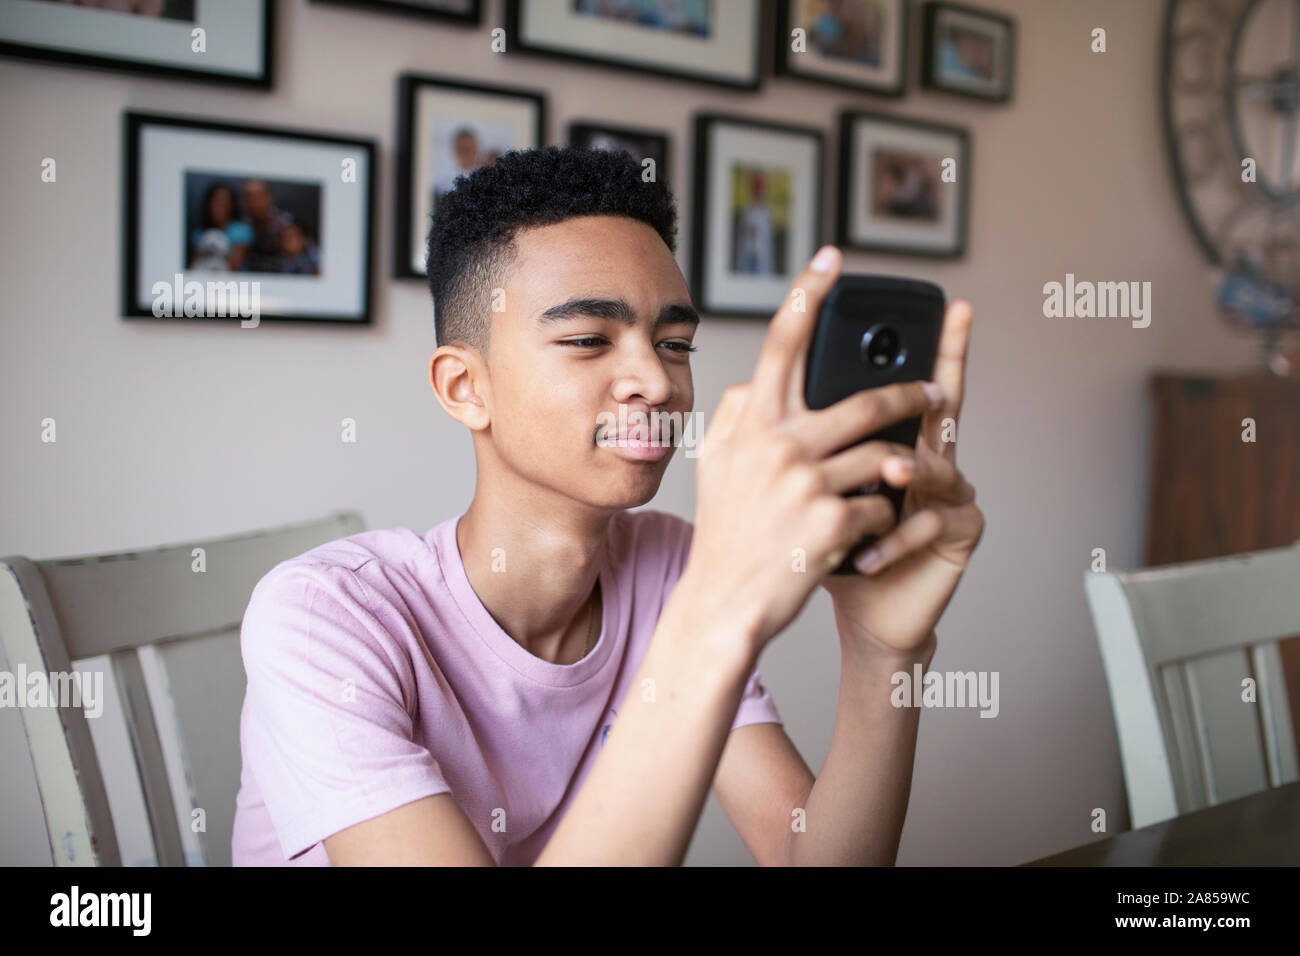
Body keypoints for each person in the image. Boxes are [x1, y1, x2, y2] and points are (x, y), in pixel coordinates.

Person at [231, 145, 983, 866]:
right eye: (590, 339)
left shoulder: (666, 569)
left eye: (676, 344)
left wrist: (884, 652)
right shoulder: (320, 616)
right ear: (466, 387)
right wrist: (720, 610)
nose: (656, 383)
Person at [188, 182, 253, 272]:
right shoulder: (199, 233)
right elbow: (194, 266)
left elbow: (233, 267)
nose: (220, 206)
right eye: (216, 201)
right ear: (208, 204)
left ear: (232, 205)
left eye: (225, 202)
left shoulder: (241, 231)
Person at [240, 178, 294, 273]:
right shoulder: (240, 224)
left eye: (259, 196)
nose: (254, 201)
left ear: (269, 197)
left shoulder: (284, 223)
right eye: (249, 197)